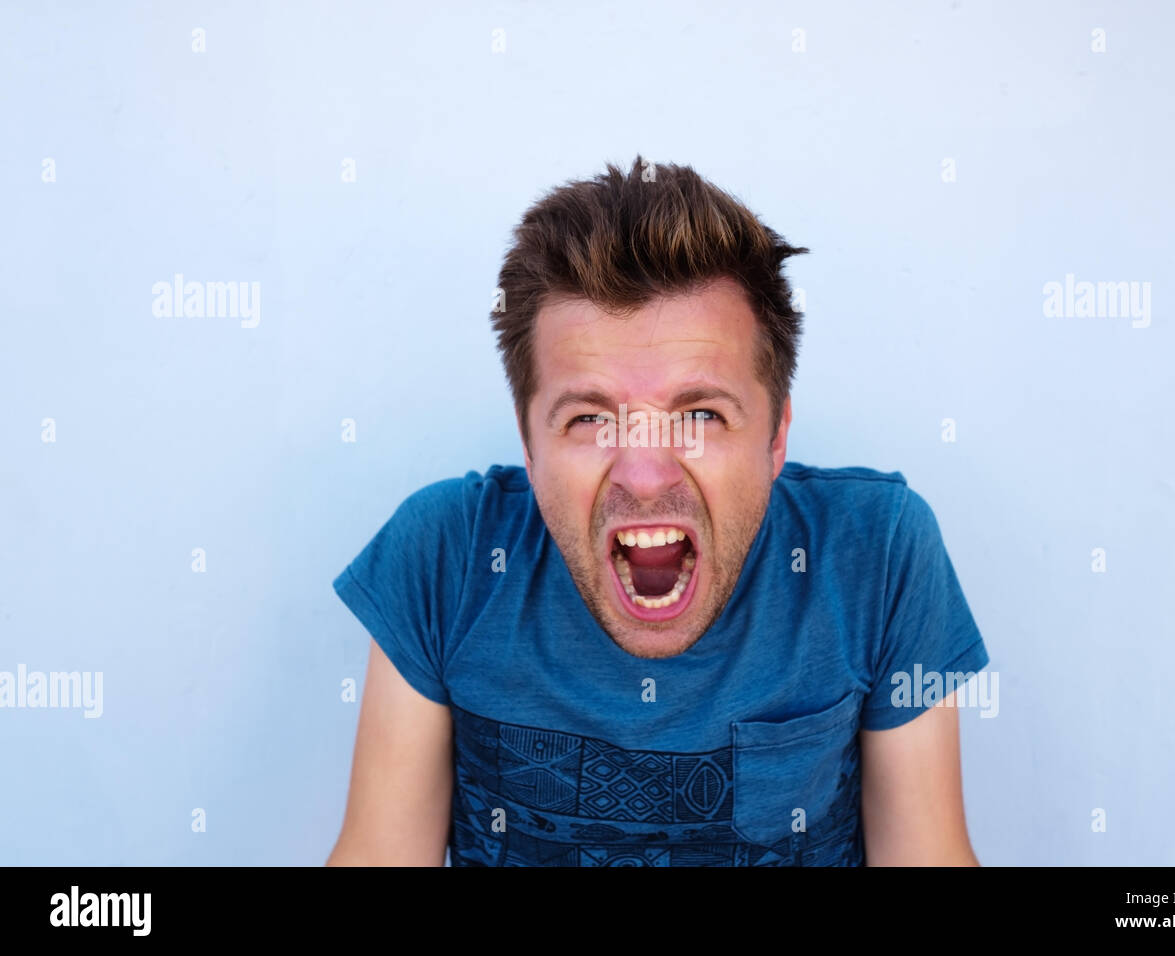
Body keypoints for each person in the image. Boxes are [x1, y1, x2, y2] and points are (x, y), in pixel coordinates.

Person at [326, 156, 990, 866]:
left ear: (775, 437)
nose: (644, 478)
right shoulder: (444, 556)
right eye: (589, 419)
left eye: (700, 414)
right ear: (529, 445)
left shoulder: (879, 554)